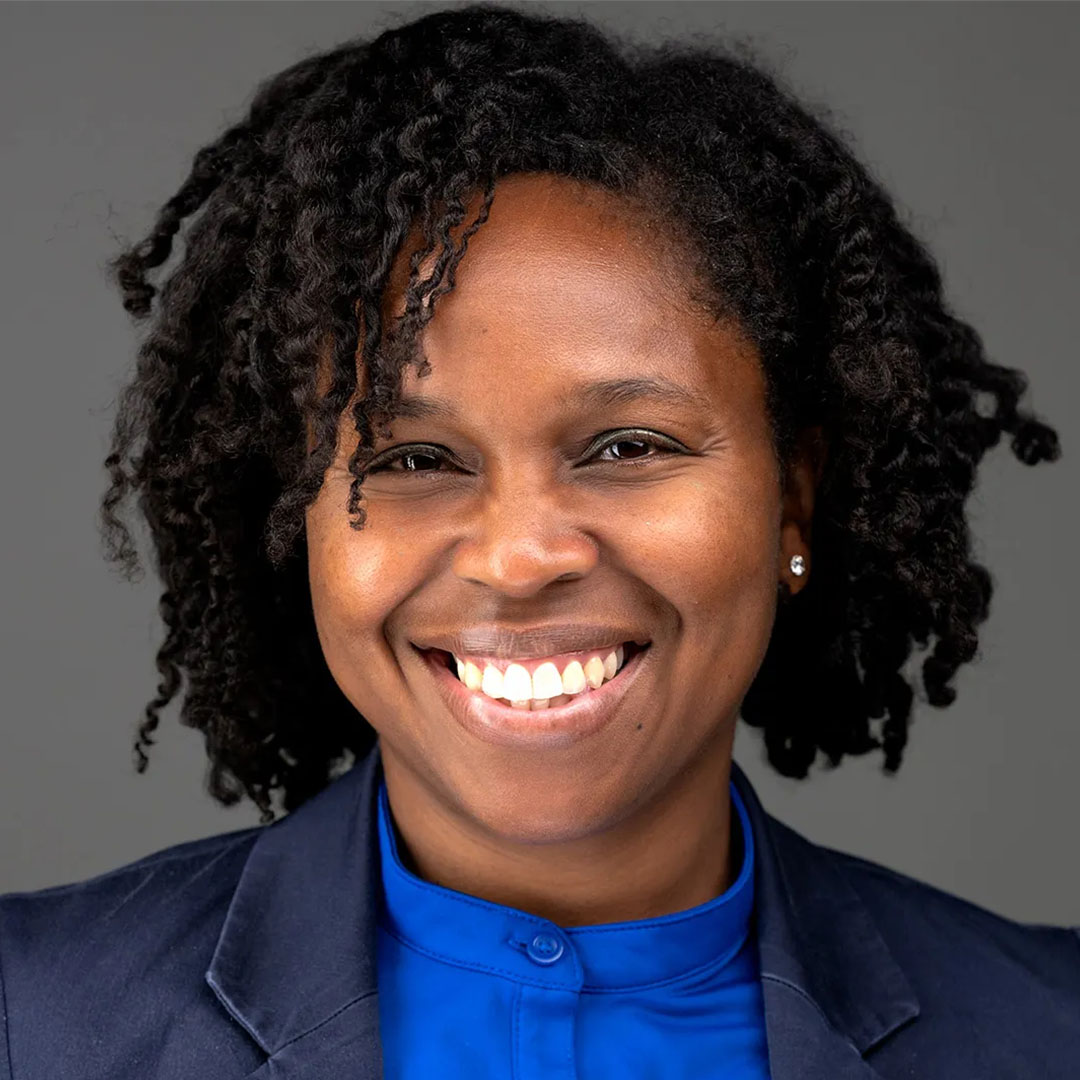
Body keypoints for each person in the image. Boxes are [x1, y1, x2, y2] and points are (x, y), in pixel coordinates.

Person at [1, 5, 1076, 1078]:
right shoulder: (30, 1020)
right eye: (414, 460)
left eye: (627, 445)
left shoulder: (1044, 1030)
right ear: (300, 519)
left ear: (793, 497)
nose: (519, 558)